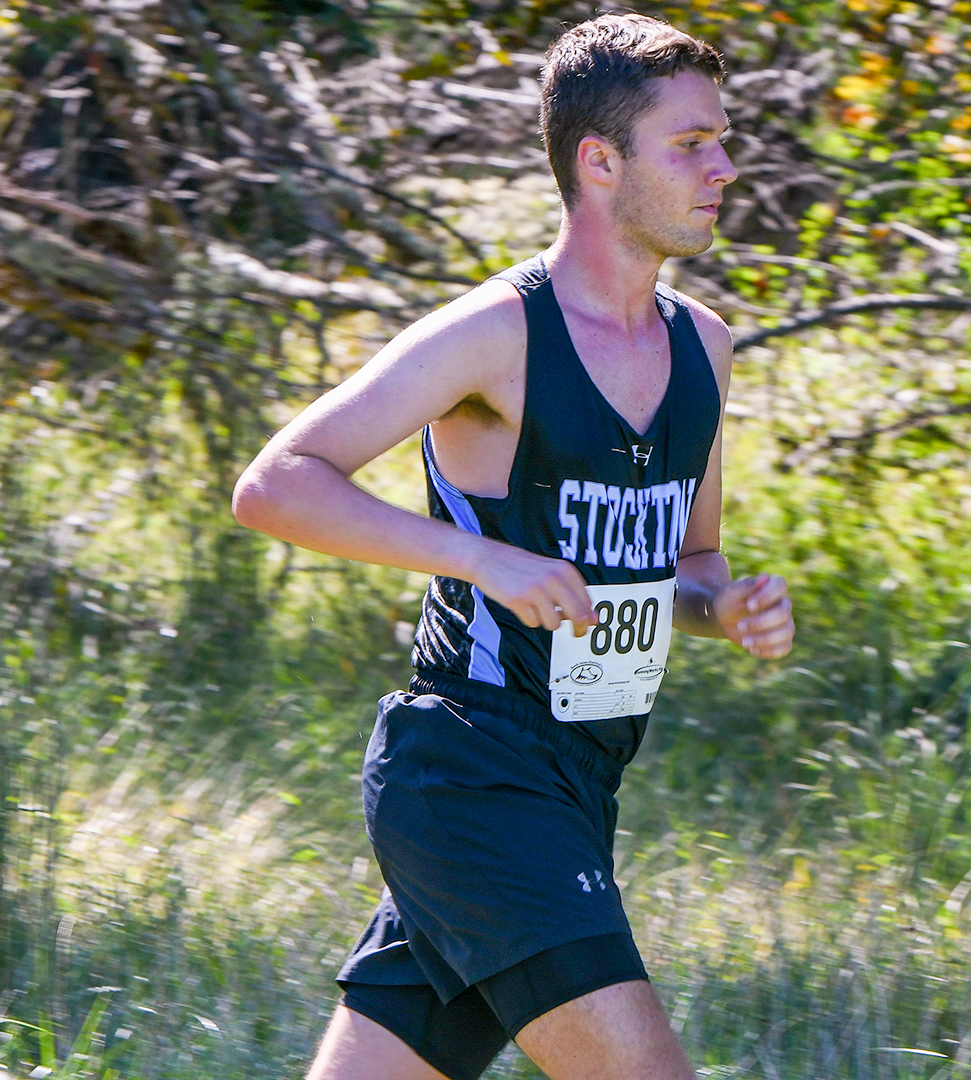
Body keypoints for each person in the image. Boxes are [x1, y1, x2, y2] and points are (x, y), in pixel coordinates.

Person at [231, 13, 794, 1080]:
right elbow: (274, 487)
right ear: (599, 160)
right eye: (691, 143)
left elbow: (692, 564)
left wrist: (726, 608)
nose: (724, 166)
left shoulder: (704, 349)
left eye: (722, 139)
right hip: (474, 776)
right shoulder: (495, 334)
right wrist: (479, 557)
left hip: (580, 783)